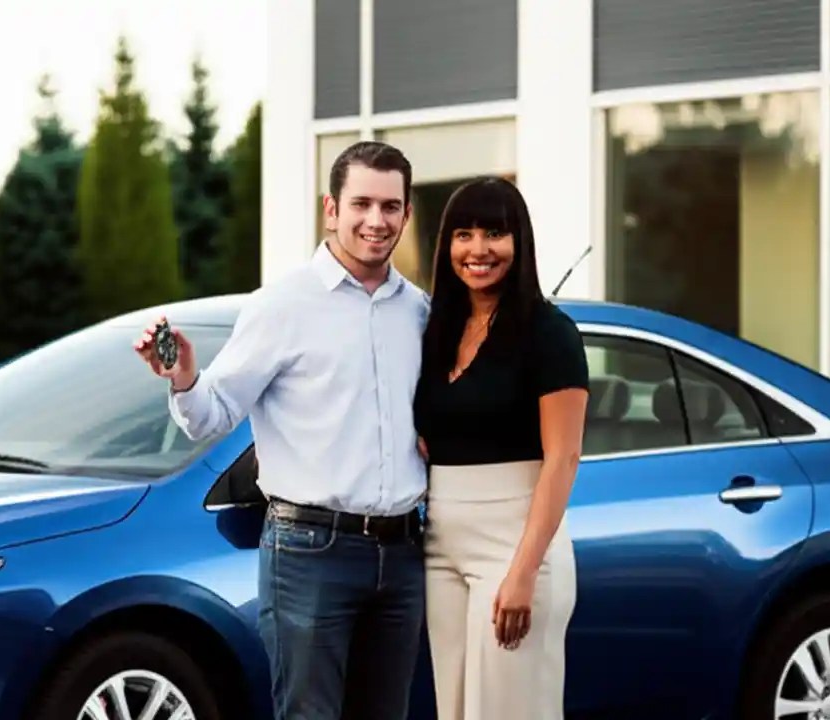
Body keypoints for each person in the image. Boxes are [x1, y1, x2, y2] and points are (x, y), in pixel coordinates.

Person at [134, 141, 429, 720]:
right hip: (310, 553)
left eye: (391, 206)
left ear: (407, 214)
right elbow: (210, 414)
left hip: (401, 553)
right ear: (331, 209)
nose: (376, 220)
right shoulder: (283, 305)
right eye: (362, 203)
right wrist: (185, 376)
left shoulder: (419, 312)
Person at [413, 176, 589, 720]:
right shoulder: (437, 329)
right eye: (463, 234)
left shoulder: (550, 333)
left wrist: (524, 572)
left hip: (516, 545)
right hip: (442, 544)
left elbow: (562, 459)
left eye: (495, 233)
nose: (478, 250)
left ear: (520, 243)